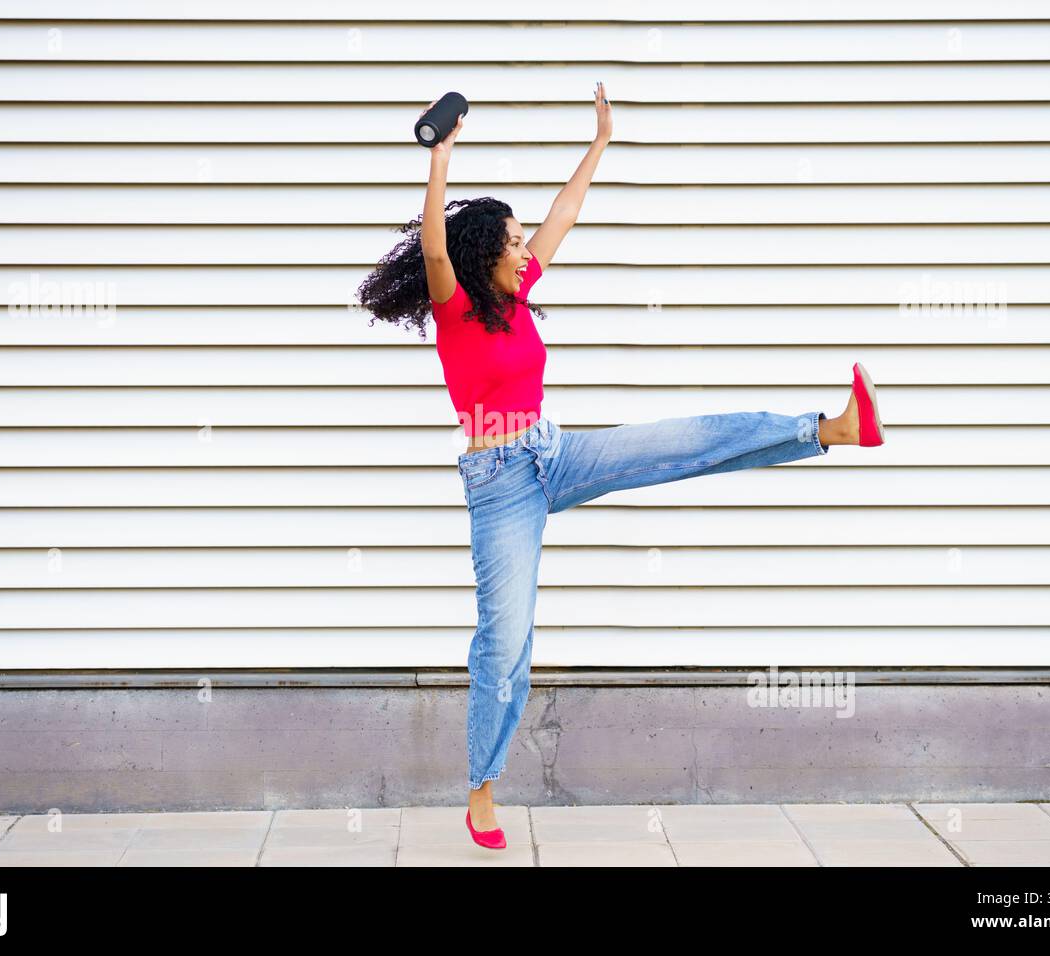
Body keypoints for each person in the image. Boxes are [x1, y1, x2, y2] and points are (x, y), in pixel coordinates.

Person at [355, 82, 884, 850]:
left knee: (685, 441)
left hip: (553, 451)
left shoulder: (516, 293)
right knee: (505, 640)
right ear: (482, 257)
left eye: (519, 239)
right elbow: (435, 245)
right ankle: (482, 786)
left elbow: (563, 216)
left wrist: (599, 143)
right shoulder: (456, 309)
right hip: (500, 486)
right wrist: (442, 157)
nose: (523, 246)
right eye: (509, 240)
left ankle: (830, 428)